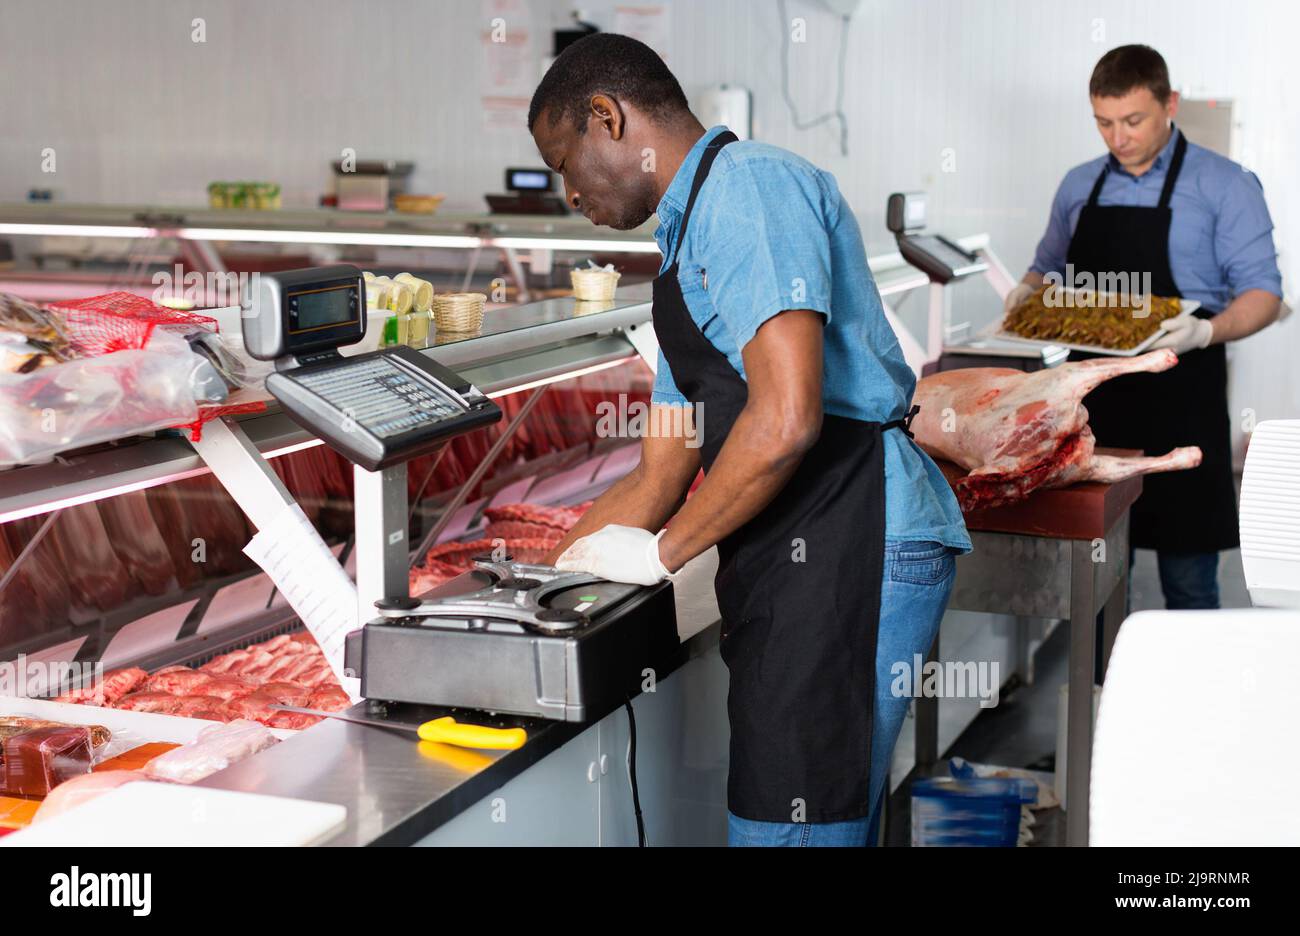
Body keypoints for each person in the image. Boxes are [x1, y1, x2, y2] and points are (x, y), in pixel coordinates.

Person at [527, 33, 970, 846]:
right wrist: (539, 586)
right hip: (801, 547)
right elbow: (660, 473)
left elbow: (787, 418)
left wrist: (660, 557)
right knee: (806, 817)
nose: (569, 194)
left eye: (564, 162)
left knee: (795, 823)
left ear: (607, 117)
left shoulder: (749, 192)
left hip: (854, 539)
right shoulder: (684, 241)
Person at [1005, 45, 1283, 610]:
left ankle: (1199, 693)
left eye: (1133, 120)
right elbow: (1049, 267)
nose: (1118, 137)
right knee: (1099, 570)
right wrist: (1025, 290)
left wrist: (1204, 332)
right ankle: (1106, 689)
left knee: (1188, 576)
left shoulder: (1225, 185)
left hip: (1184, 393)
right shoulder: (1079, 185)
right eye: (1104, 123)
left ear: (1169, 103)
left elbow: (1265, 295)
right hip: (1097, 400)